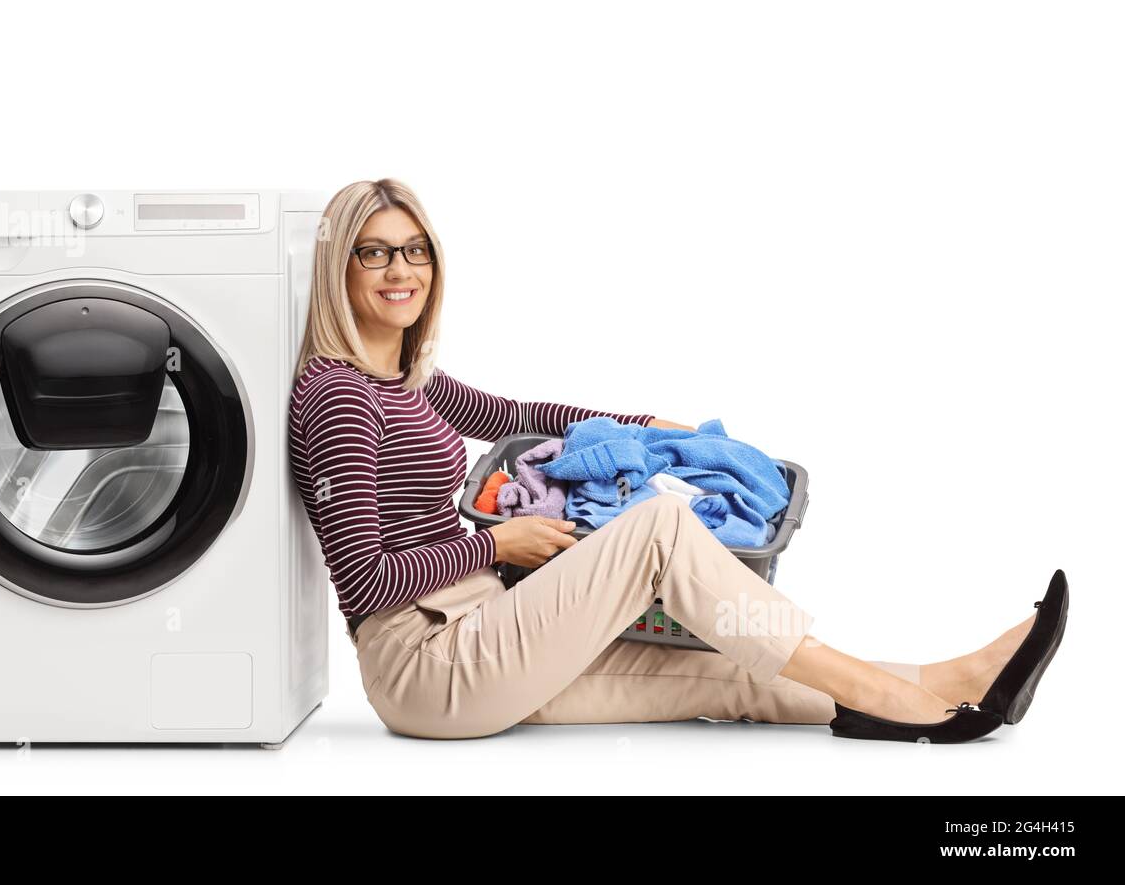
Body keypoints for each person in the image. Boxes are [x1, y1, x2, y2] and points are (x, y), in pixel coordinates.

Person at [286, 178, 1068, 743]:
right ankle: (883, 694)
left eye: (415, 250)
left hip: (485, 630)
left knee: (728, 670)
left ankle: (941, 684)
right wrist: (499, 543)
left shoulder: (401, 379)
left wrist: (647, 426)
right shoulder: (340, 397)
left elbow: (519, 417)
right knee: (658, 527)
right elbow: (363, 581)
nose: (402, 270)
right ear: (339, 270)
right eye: (375, 253)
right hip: (431, 665)